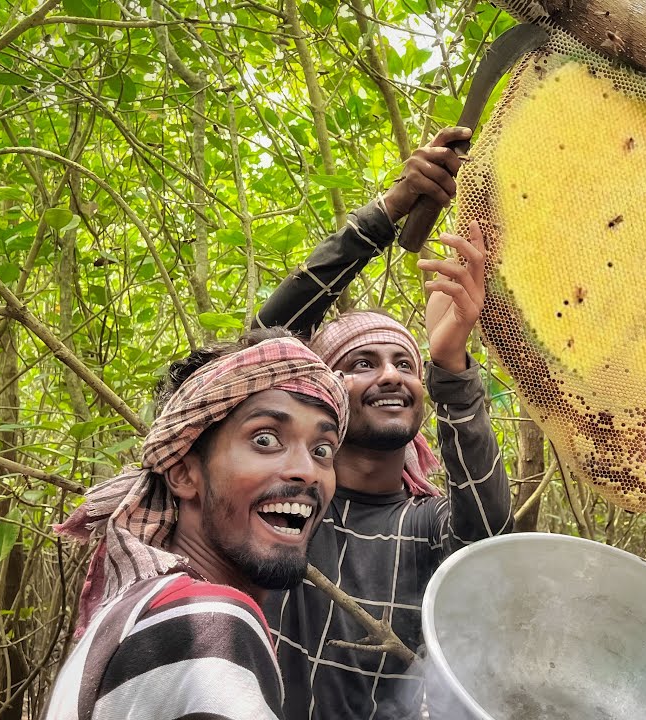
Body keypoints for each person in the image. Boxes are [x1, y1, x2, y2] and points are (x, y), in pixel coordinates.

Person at [257, 130, 513, 719]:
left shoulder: (425, 527)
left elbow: (488, 534)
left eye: (405, 363)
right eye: (361, 364)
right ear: (322, 394)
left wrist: (450, 363)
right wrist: (387, 213)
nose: (391, 376)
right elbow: (264, 339)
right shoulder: (281, 503)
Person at [45, 331, 348, 720]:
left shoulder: (136, 612)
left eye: (321, 450)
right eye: (266, 439)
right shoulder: (207, 622)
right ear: (185, 475)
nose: (307, 472)